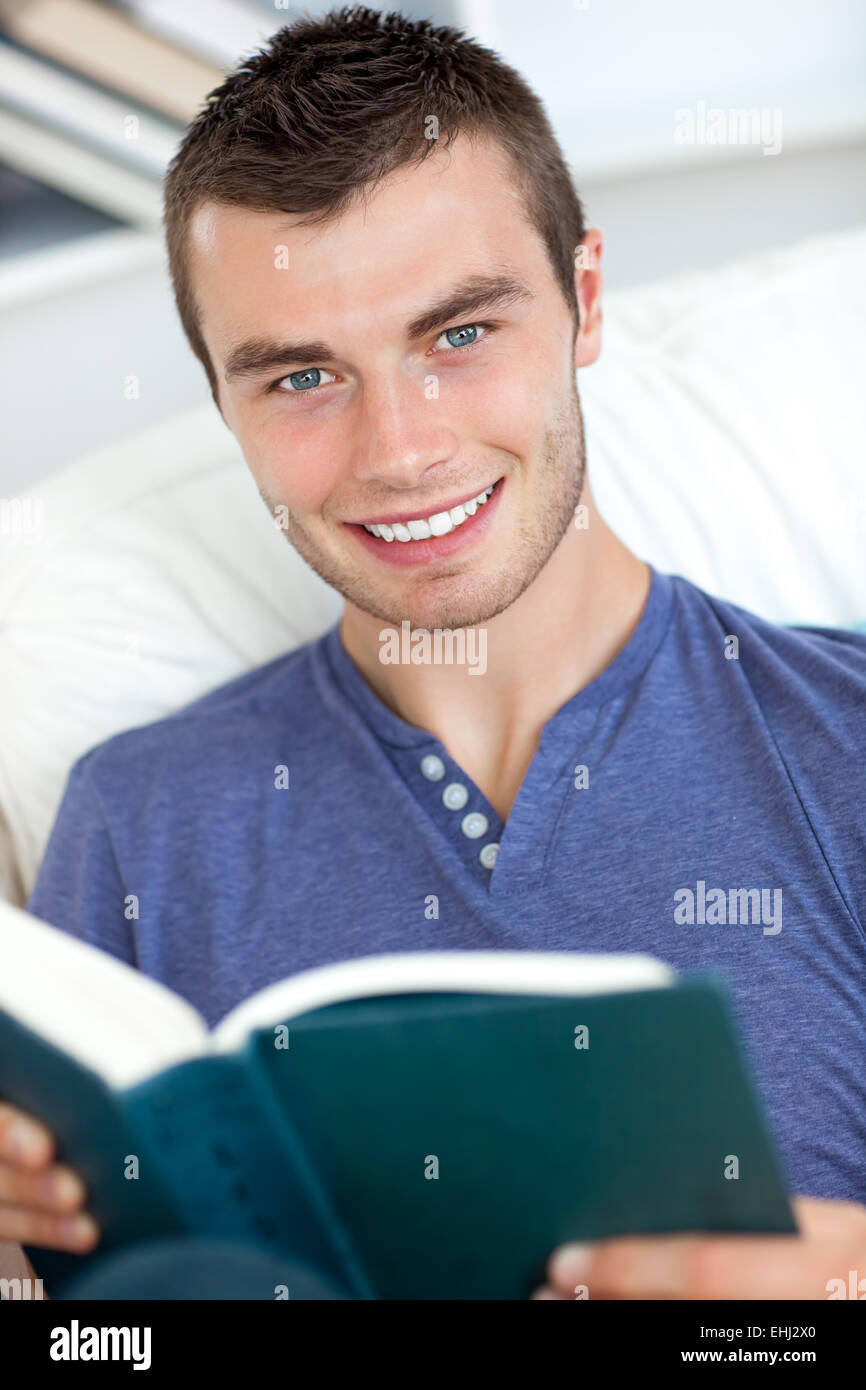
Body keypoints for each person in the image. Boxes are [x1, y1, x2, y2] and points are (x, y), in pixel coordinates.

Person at [2, 6, 866, 1300]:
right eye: (300, 377)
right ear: (223, 401)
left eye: (458, 335)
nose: (398, 451)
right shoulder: (141, 818)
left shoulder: (840, 742)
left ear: (581, 300)